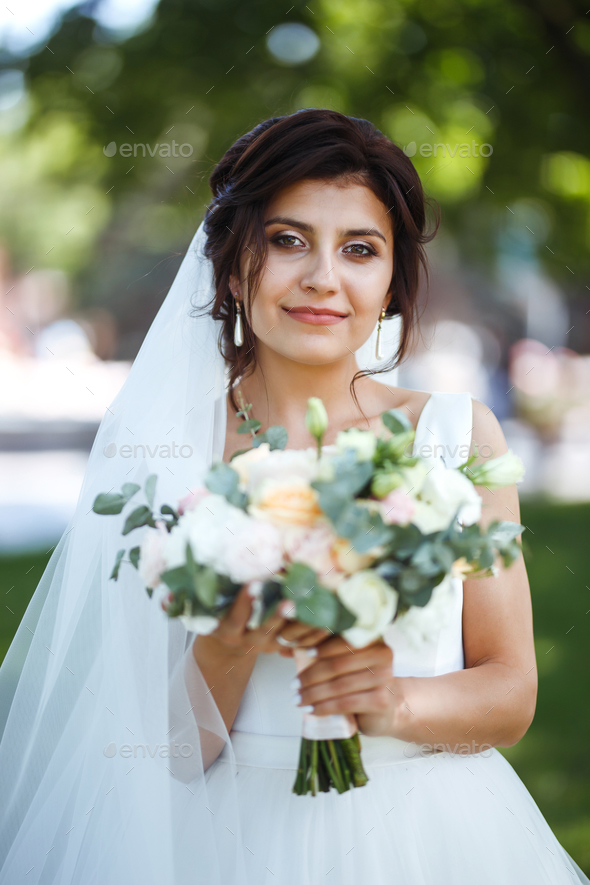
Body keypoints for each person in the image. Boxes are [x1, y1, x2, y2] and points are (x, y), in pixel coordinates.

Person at [0, 108, 587, 885]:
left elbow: (511, 694)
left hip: (434, 839)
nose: (322, 278)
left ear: (391, 280)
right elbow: (170, 755)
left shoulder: (456, 437)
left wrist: (392, 702)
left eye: (359, 249)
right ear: (235, 264)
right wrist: (230, 641)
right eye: (287, 241)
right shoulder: (170, 455)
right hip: (224, 841)